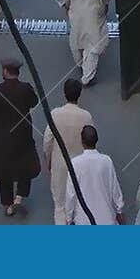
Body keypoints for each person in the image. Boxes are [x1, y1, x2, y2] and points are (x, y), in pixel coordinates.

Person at [0, 59, 41, 217]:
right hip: (23, 134)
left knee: (3, 169)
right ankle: (20, 195)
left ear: (6, 72)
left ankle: (7, 204)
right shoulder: (25, 88)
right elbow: (34, 102)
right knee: (25, 164)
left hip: (2, 137)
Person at [43, 77, 93, 225]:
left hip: (60, 164)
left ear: (64, 94)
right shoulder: (86, 116)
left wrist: (48, 159)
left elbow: (47, 140)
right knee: (79, 201)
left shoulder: (55, 114)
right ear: (79, 94)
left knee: (60, 204)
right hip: (80, 165)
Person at [64, 124, 124, 225]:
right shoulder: (107, 161)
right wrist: (119, 211)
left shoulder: (74, 164)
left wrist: (69, 218)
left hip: (84, 220)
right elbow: (115, 189)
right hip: (107, 219)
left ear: (82, 141)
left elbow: (71, 194)